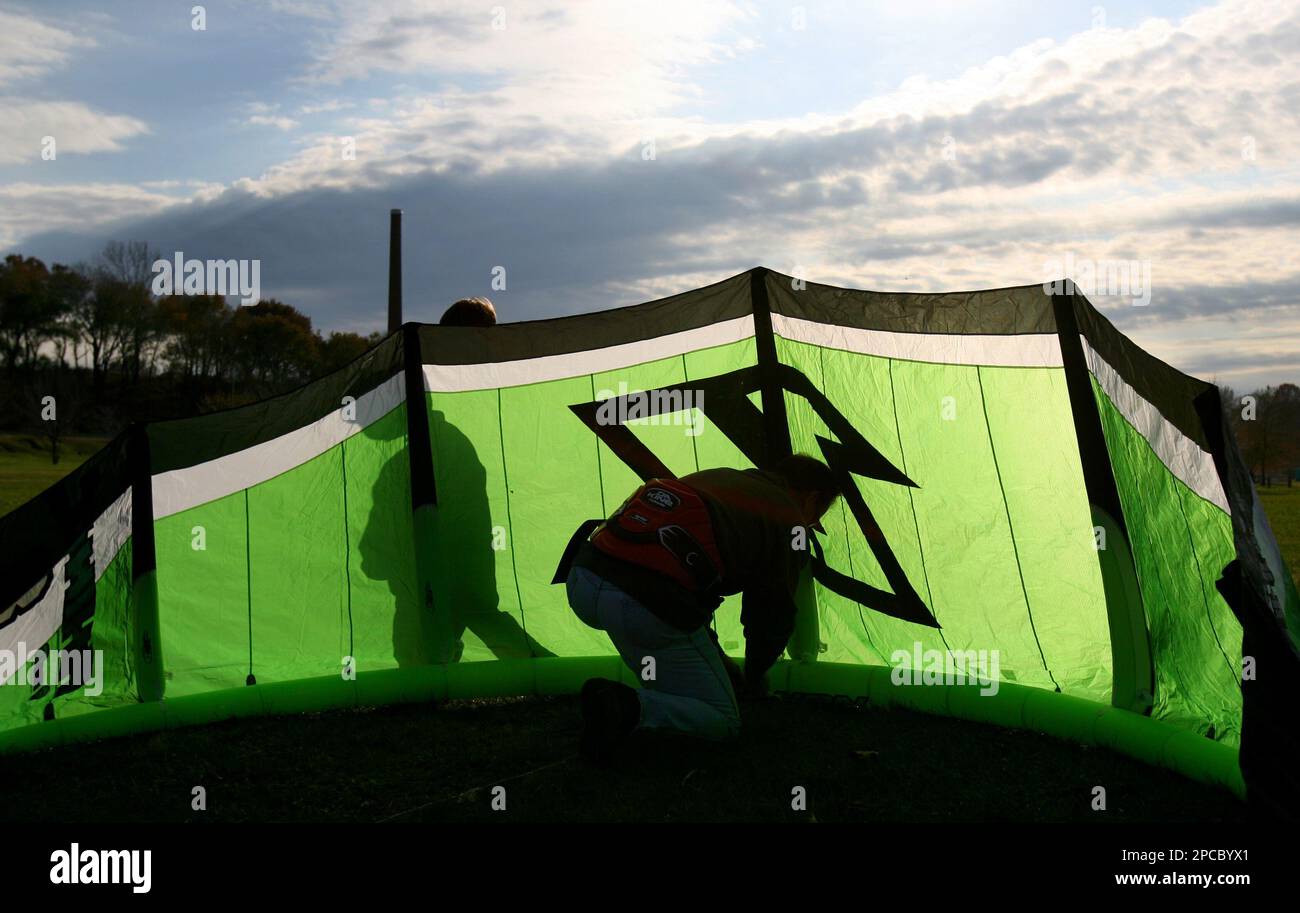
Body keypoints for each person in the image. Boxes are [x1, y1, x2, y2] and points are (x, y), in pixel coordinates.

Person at [564, 454, 840, 762]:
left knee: (671, 668)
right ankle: (623, 706)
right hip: (643, 603)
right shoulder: (789, 520)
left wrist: (719, 660)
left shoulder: (719, 477)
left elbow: (685, 570)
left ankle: (622, 709)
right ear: (812, 499)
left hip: (585, 579)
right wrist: (755, 677)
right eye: (817, 517)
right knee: (722, 719)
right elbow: (771, 613)